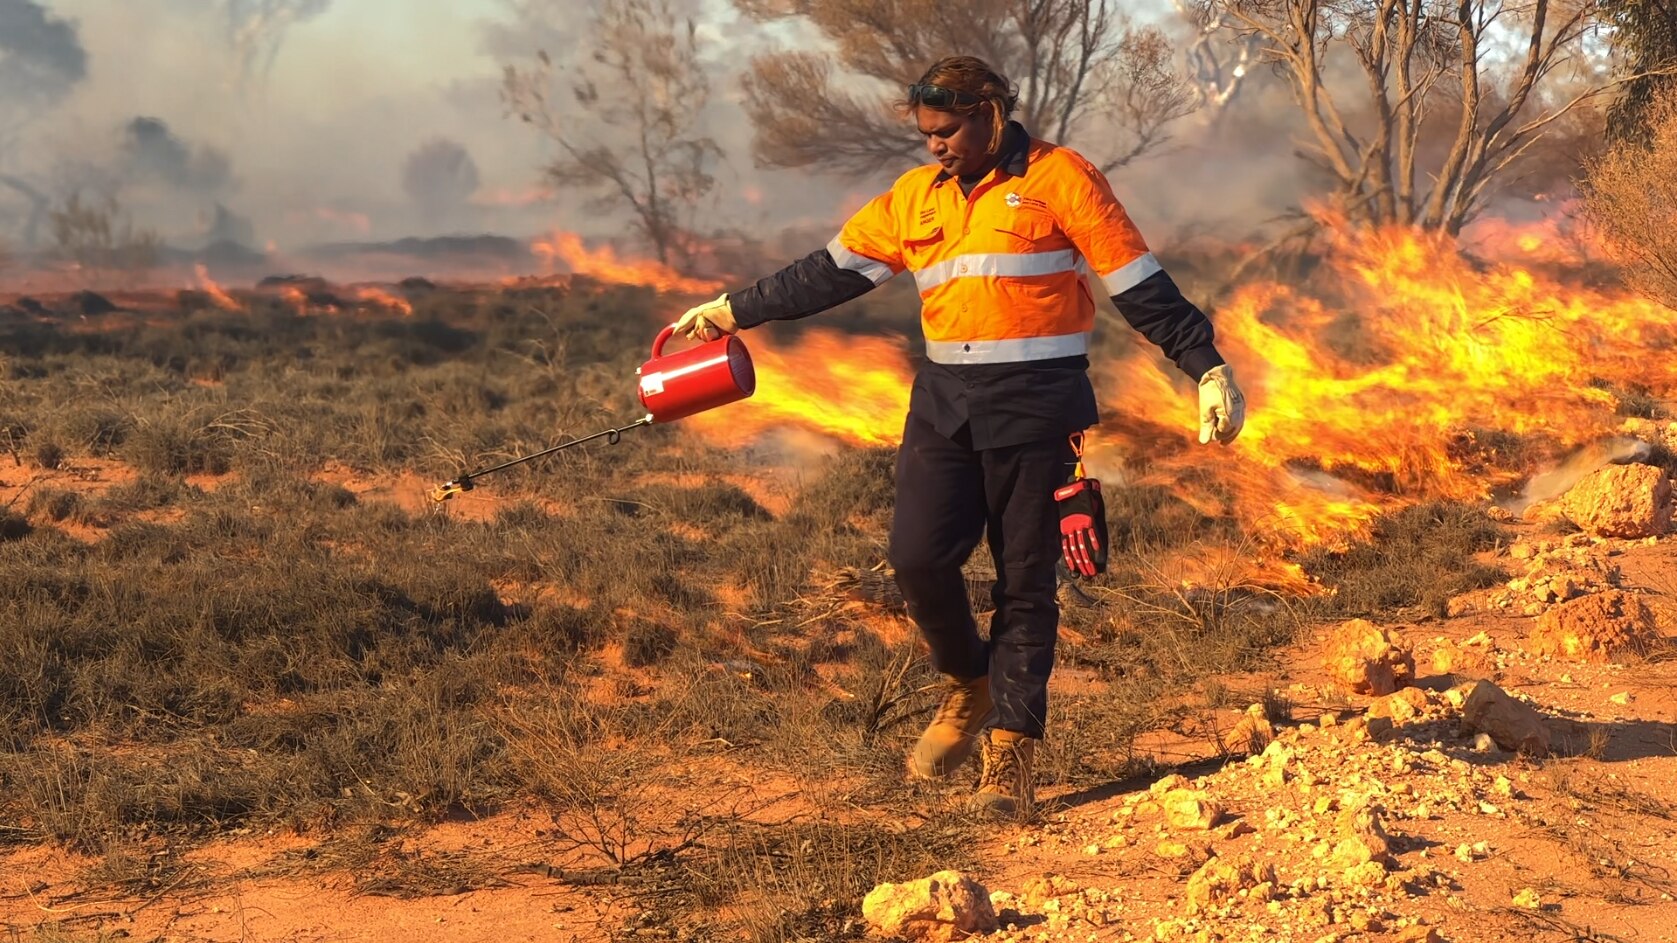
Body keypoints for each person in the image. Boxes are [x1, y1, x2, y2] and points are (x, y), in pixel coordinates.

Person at [673, 56, 1245, 816]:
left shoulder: (1062, 177)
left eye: (947, 130)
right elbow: (828, 273)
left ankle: (1010, 754)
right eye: (926, 134)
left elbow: (1137, 283)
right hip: (944, 404)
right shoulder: (915, 196)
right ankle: (968, 679)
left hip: (1040, 406)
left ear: (990, 114)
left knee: (1025, 581)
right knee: (916, 558)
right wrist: (731, 310)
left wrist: (1205, 366)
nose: (935, 145)